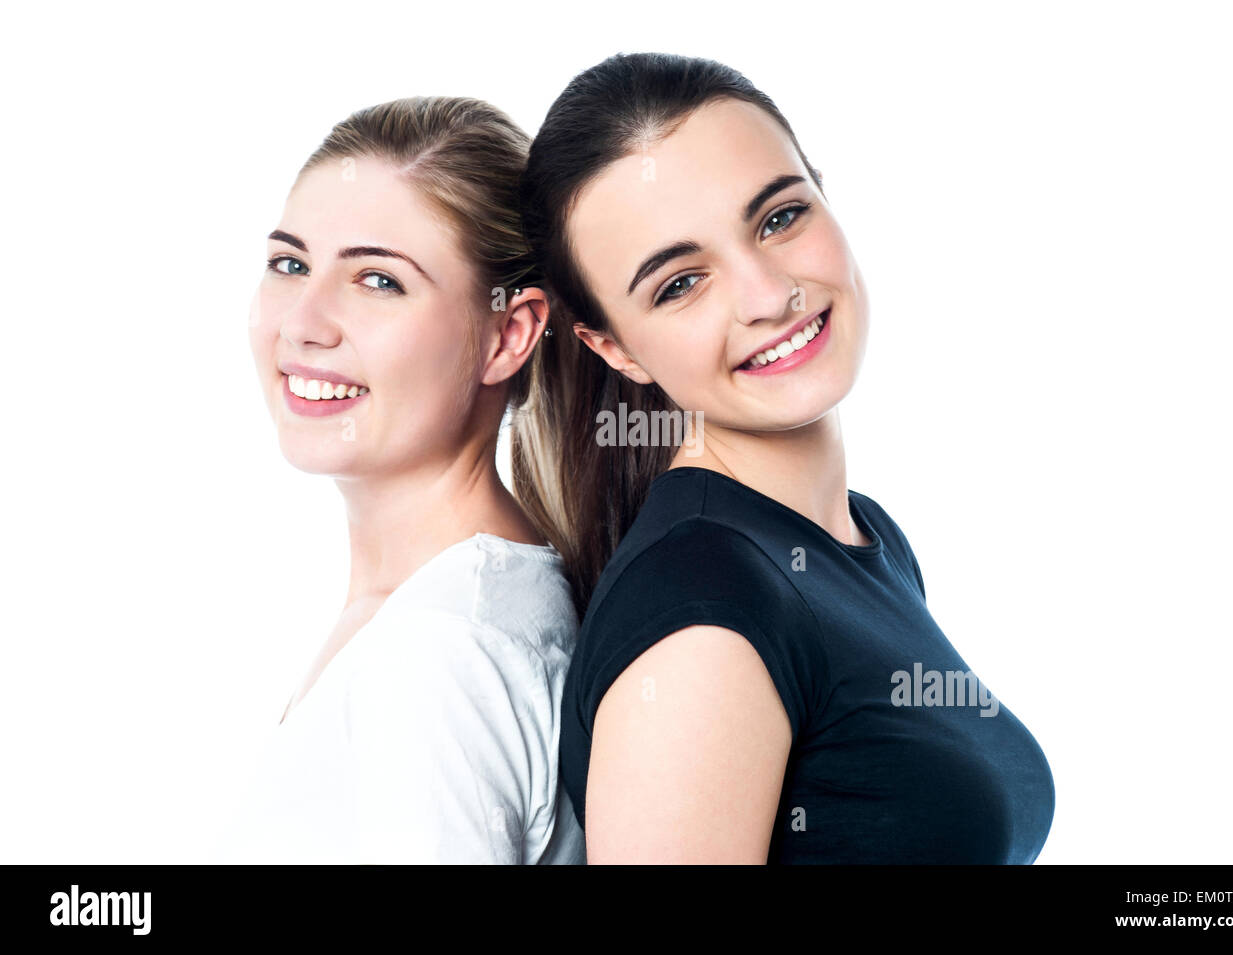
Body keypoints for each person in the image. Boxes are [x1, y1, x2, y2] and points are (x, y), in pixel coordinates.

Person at [512, 53, 1055, 863]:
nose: (770, 296)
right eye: (681, 282)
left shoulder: (865, 538)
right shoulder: (700, 609)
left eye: (777, 218)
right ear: (613, 347)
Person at [214, 96, 584, 864]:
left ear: (508, 334)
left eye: (378, 280)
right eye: (290, 263)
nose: (303, 322)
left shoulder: (440, 653)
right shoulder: (450, 611)